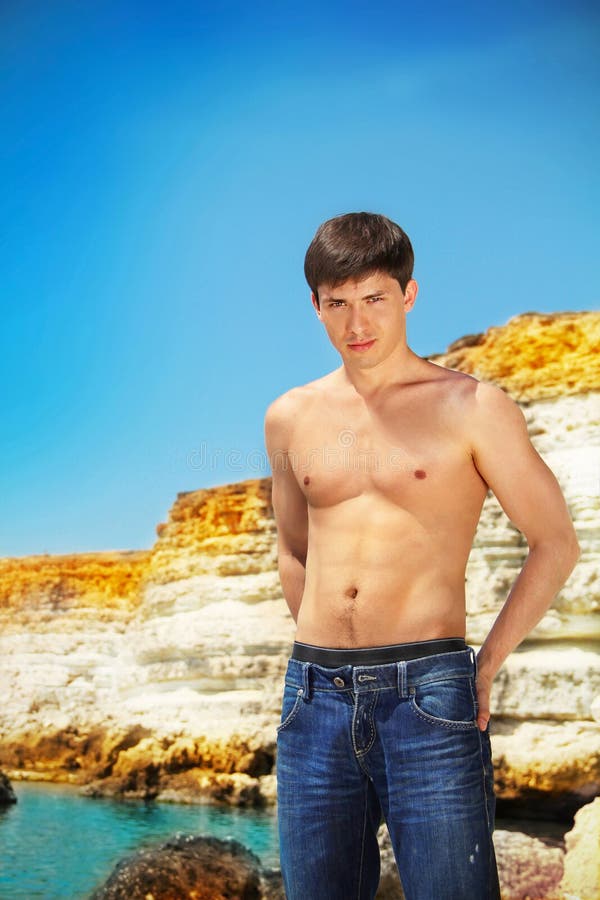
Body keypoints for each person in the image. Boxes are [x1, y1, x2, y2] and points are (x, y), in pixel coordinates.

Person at [263, 212, 580, 900]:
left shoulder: (473, 407)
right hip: (313, 696)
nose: (357, 323)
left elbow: (556, 542)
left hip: (428, 695)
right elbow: (294, 547)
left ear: (409, 295)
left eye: (374, 298)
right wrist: (315, 648)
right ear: (314, 305)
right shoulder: (290, 416)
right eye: (337, 303)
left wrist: (486, 662)